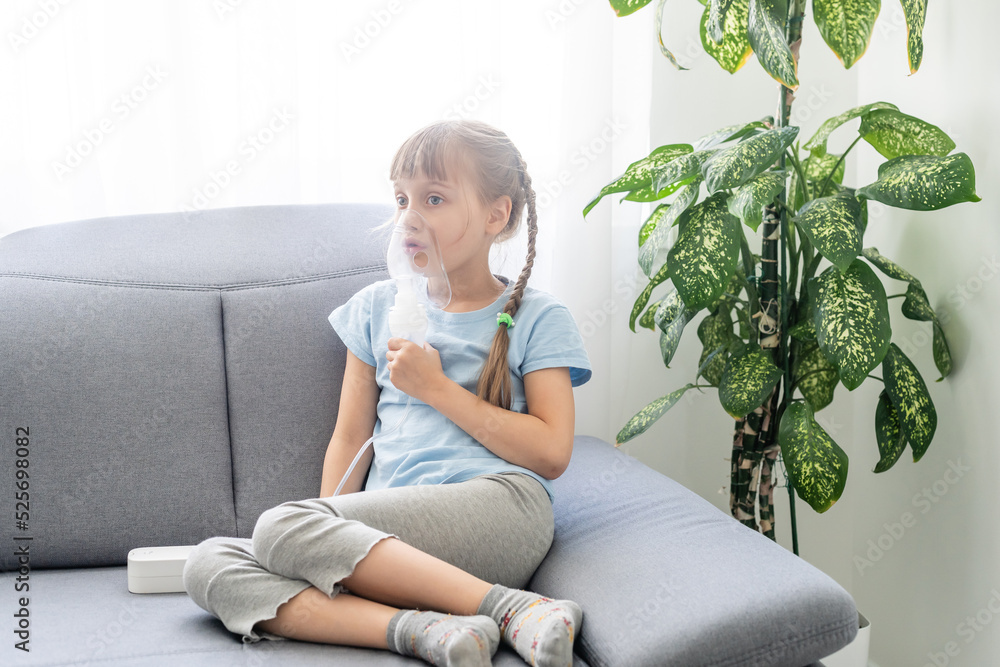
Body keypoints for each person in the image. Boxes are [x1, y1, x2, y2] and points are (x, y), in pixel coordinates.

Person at [183, 119, 593, 667]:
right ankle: (431, 631)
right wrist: (325, 531)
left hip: (498, 510)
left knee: (279, 528)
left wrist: (437, 388)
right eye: (402, 199)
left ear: (497, 214)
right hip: (388, 538)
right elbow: (350, 435)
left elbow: (552, 453)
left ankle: (513, 607)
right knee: (210, 563)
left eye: (434, 198)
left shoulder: (539, 318)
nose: (410, 219)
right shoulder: (376, 308)